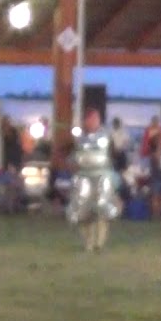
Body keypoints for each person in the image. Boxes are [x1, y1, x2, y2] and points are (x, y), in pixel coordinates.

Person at [67, 108, 120, 251]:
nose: (93, 122)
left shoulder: (106, 137)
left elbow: (114, 154)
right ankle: (88, 242)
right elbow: (72, 156)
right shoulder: (79, 138)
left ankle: (99, 242)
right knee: (83, 209)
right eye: (91, 119)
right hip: (84, 176)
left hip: (102, 175)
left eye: (96, 119)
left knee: (102, 207)